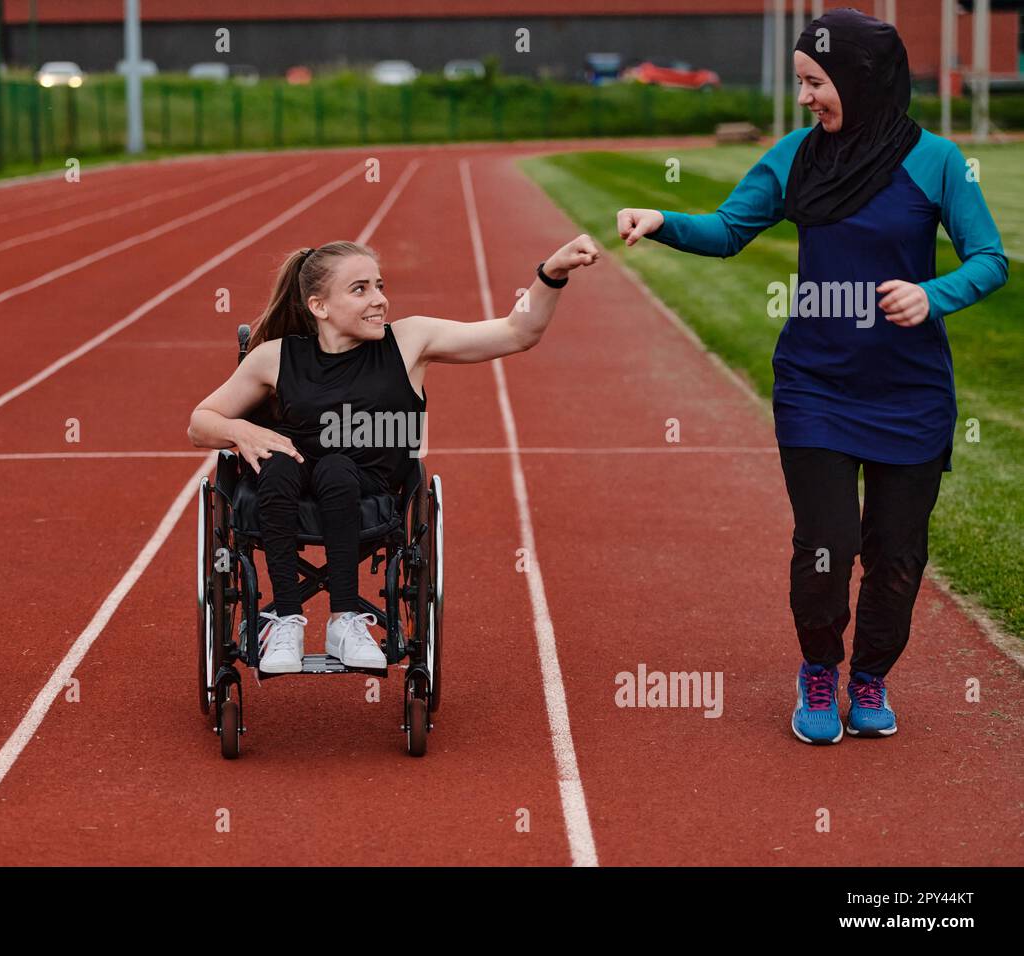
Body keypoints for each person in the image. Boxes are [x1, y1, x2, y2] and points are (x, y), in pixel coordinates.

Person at [616, 8, 1007, 744]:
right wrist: (662, 218)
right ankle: (820, 670)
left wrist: (932, 295)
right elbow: (731, 230)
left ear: (862, 79)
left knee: (898, 554)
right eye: (801, 82)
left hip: (911, 393)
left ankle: (870, 678)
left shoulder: (939, 161)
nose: (805, 99)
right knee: (827, 545)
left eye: (816, 83)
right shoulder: (795, 156)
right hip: (816, 385)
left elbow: (989, 259)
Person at [189, 236, 600, 672]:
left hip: (365, 488)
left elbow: (517, 333)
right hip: (285, 486)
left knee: (337, 469)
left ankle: (345, 618)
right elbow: (200, 423)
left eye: (380, 286)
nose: (380, 300)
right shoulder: (274, 357)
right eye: (360, 289)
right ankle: (285, 618)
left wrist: (551, 273)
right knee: (276, 467)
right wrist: (240, 430)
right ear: (319, 306)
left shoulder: (408, 342)